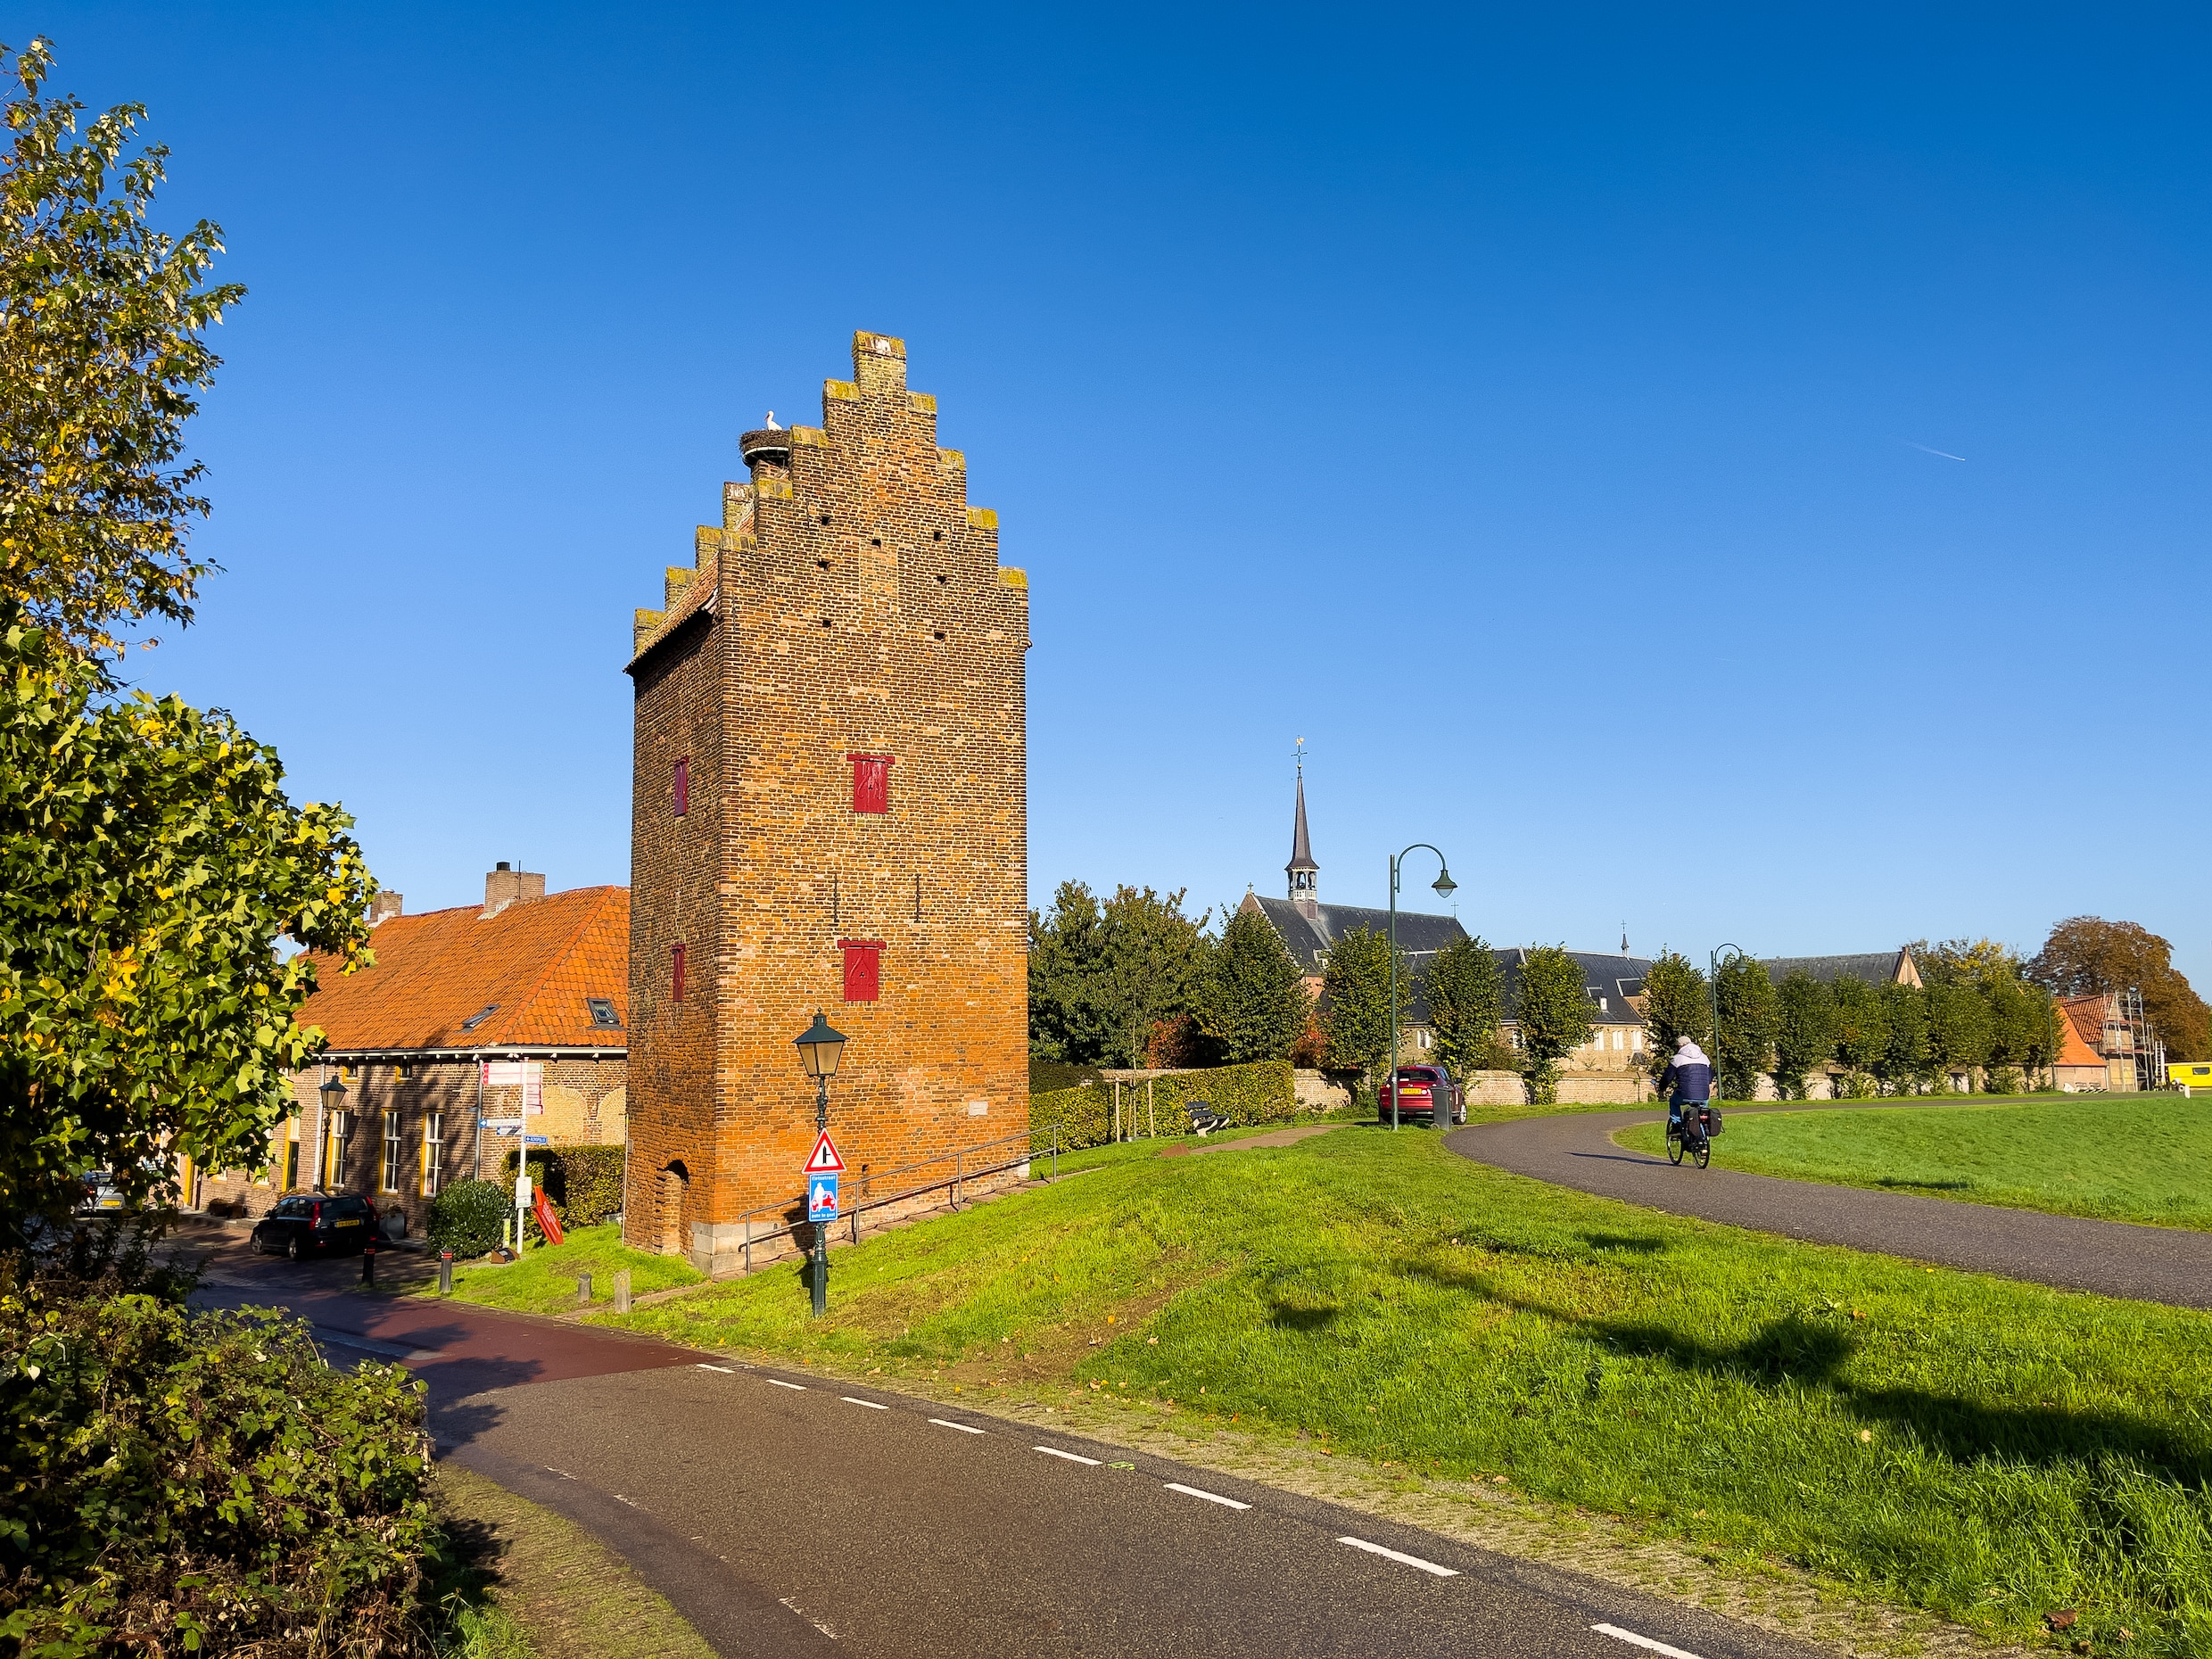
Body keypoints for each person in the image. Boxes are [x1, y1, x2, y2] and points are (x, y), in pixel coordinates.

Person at [1657, 1035, 1714, 1133]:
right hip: (1704, 1094)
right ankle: (1704, 1134)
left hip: (1685, 1093)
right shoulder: (1705, 1058)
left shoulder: (1677, 1059)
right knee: (1703, 1111)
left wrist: (1661, 1088)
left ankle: (1676, 1126)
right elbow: (1709, 1078)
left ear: (1680, 1046)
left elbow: (1667, 1078)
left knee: (1674, 1102)